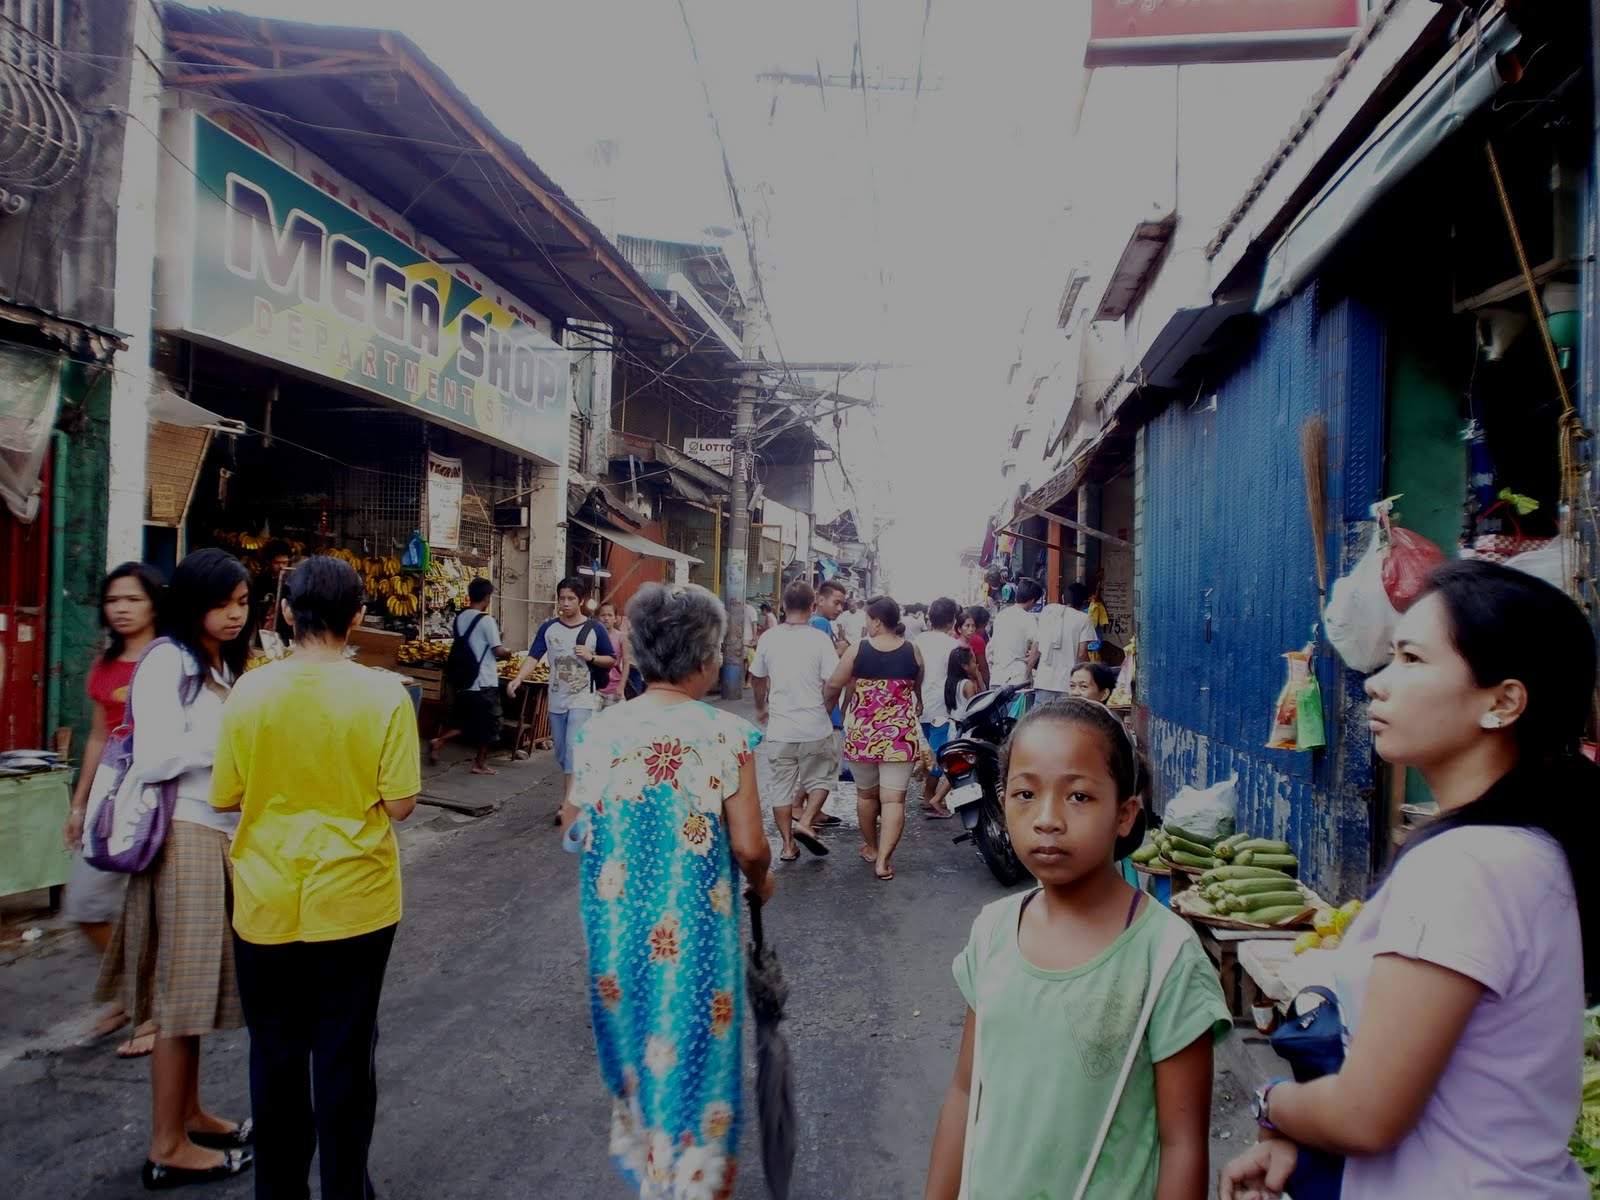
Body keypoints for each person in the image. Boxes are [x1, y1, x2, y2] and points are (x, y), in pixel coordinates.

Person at [1219, 560, 1596, 1200]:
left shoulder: (1468, 867)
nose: (1378, 685)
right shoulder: (1525, 850)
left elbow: (1368, 1114)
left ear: (1503, 701)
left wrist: (1272, 1102)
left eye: (1413, 660)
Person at [925, 698, 1229, 1199]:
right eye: (1025, 793)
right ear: (1003, 804)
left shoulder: (1167, 957)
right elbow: (965, 1092)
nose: (1046, 819)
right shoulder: (994, 931)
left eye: (1079, 797)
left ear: (1126, 814)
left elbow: (1184, 1147)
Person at [211, 555, 419, 1200]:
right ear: (359, 616)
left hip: (266, 898)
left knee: (274, 1054)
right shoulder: (384, 692)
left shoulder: (250, 689)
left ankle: (278, 1192)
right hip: (355, 901)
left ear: (286, 612)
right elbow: (400, 804)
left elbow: (227, 796)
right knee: (344, 1056)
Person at [570, 582, 775, 1198]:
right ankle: (685, 1182)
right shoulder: (722, 734)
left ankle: (653, 1172)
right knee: (692, 1056)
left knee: (638, 1052)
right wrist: (763, 885)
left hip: (614, 935)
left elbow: (577, 822)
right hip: (693, 934)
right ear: (705, 659)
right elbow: (749, 846)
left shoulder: (601, 732)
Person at [96, 547, 256, 1189]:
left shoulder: (213, 663)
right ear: (194, 601)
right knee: (179, 1000)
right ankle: (166, 1144)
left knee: (196, 997)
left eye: (243, 603)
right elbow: (155, 756)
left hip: (215, 834)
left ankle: (190, 1113)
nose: (235, 615)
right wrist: (237, 744)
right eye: (223, 603)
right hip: (183, 833)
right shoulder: (168, 661)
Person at [62, 562, 165, 1057]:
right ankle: (133, 993)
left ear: (153, 604)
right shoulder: (106, 665)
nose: (121, 609)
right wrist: (79, 804)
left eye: (132, 599)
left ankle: (149, 1008)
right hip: (110, 795)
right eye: (113, 600)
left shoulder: (170, 660)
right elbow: (99, 736)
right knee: (84, 904)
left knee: (150, 909)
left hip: (155, 797)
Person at [825, 596, 924, 881]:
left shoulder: (859, 650)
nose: (867, 624)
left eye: (869, 619)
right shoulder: (913, 651)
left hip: (863, 734)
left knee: (866, 795)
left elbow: (834, 684)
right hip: (899, 736)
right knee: (894, 801)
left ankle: (871, 847)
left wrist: (827, 710)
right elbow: (917, 688)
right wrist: (915, 702)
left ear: (877, 621)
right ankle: (883, 860)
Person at [510, 576, 615, 817]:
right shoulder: (549, 628)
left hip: (583, 699)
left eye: (571, 599)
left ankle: (566, 805)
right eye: (562, 598)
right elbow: (534, 656)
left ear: (581, 601)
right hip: (557, 699)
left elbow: (611, 659)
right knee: (561, 752)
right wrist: (518, 678)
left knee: (572, 749)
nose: (565, 603)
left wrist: (591, 657)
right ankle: (582, 785)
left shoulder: (594, 628)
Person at [751, 581, 839, 862]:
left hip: (781, 728)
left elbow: (758, 677)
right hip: (814, 725)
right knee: (824, 776)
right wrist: (827, 706)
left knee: (781, 788)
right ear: (813, 607)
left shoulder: (769, 638)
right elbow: (834, 681)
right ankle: (807, 820)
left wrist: (760, 707)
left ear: (784, 607)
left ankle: (788, 846)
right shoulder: (820, 639)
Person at [428, 578, 512, 776]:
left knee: (462, 722)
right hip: (484, 681)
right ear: (486, 597)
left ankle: (439, 740)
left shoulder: (461, 618)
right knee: (491, 725)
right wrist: (508, 652)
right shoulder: (487, 621)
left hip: (464, 679)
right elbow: (498, 650)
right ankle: (479, 764)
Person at [914, 598, 964, 819]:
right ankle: (929, 796)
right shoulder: (953, 645)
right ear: (952, 620)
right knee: (939, 753)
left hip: (921, 703)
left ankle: (929, 792)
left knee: (933, 750)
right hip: (943, 707)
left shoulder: (918, 640)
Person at [1033, 582, 1097, 702]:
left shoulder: (1048, 612)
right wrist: (1092, 675)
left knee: (1042, 719)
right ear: (1085, 602)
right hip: (1068, 685)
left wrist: (1028, 672)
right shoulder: (1084, 619)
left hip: (1044, 681)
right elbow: (1082, 655)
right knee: (1065, 719)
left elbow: (1036, 646)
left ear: (1063, 598)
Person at [987, 578, 1042, 688]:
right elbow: (1037, 645)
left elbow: (991, 648)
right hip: (1017, 680)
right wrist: (1028, 670)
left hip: (997, 678)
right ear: (1032, 601)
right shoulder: (1028, 618)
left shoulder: (1001, 616)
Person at [596, 599, 631, 711]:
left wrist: (621, 686)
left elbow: (626, 663)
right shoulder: (593, 636)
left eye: (610, 615)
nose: (606, 618)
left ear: (616, 618)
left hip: (615, 688)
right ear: (598, 617)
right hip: (597, 689)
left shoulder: (621, 637)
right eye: (603, 615)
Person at [253, 540, 292, 639]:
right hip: (262, 630)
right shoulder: (259, 581)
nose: (281, 567)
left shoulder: (291, 583)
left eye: (285, 562)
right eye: (277, 563)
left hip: (284, 633)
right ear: (268, 561)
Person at [944, 645, 983, 716]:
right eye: (973, 662)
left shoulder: (950, 683)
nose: (976, 665)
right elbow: (972, 711)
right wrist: (978, 676)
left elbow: (949, 710)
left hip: (954, 723)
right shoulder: (968, 685)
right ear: (965, 666)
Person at [961, 606, 992, 690]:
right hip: (970, 684)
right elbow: (983, 668)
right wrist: (987, 685)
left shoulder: (955, 634)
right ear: (982, 624)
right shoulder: (977, 640)